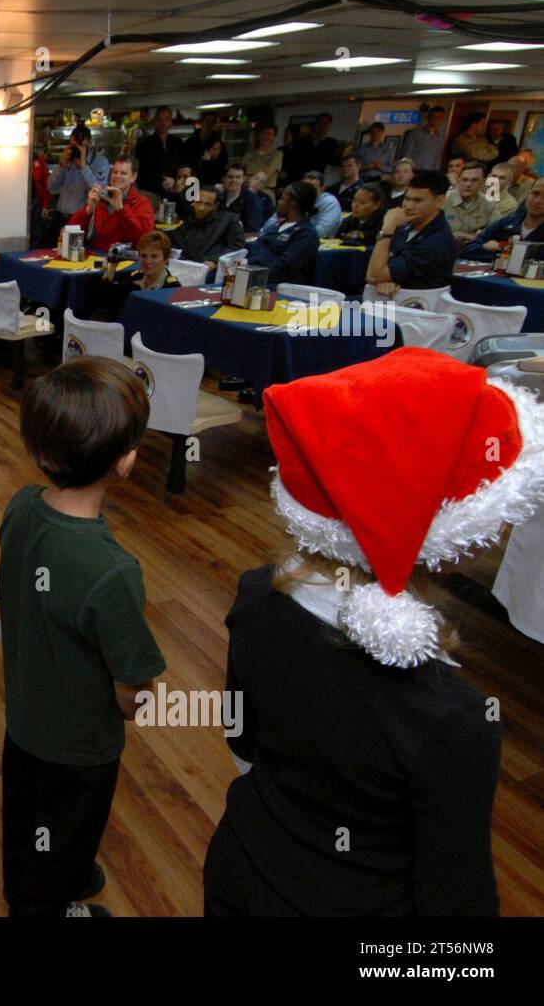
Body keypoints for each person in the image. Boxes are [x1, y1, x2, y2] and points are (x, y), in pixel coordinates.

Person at [204, 346, 542, 915]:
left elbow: (243, 738)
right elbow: (456, 903)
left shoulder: (258, 594)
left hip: (240, 869)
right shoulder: (453, 718)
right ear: (454, 534)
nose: (509, 518)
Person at [0, 357, 166, 918]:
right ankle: (47, 901)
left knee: (28, 823)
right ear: (126, 460)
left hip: (25, 720)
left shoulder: (23, 506)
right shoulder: (112, 571)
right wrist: (137, 704)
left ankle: (40, 880)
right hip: (80, 746)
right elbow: (133, 684)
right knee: (68, 830)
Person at [366, 169, 458, 296]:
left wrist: (387, 230)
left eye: (417, 201)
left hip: (417, 308)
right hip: (391, 300)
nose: (409, 206)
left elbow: (373, 276)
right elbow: (378, 272)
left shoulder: (437, 240)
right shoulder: (406, 226)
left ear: (440, 201)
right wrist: (386, 279)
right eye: (407, 199)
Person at [65, 156, 155, 252]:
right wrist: (88, 209)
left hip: (126, 261)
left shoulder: (141, 203)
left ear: (133, 177)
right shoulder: (101, 199)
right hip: (96, 259)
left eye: (123, 173)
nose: (117, 176)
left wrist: (121, 209)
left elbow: (144, 238)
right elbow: (71, 232)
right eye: (114, 172)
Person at [91, 230, 181, 321]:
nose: (147, 261)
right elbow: (104, 298)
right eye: (143, 256)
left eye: (154, 256)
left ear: (165, 259)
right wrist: (112, 268)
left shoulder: (172, 288)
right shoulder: (137, 278)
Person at [247, 180, 321, 288]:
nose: (278, 202)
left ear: (293, 203)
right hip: (251, 276)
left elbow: (284, 267)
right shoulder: (275, 226)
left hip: (276, 286)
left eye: (282, 198)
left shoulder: (306, 234)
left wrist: (252, 275)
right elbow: (254, 251)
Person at [463, 176, 544, 260]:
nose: (537, 201)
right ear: (528, 194)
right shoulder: (507, 222)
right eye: (535, 193)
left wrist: (501, 248)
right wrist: (502, 255)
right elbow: (468, 249)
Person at [170, 185, 245, 270]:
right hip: (189, 269)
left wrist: (214, 261)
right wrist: (184, 260)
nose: (201, 208)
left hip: (215, 271)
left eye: (207, 204)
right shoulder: (187, 224)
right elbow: (175, 247)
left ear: (216, 206)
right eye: (198, 202)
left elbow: (236, 247)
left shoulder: (229, 221)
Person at [48, 125, 110, 220]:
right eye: (74, 146)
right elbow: (51, 188)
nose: (77, 149)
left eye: (80, 146)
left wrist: (84, 168)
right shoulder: (68, 161)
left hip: (84, 218)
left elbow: (100, 193)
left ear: (90, 143)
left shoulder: (100, 163)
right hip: (62, 216)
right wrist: (62, 165)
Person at [442, 161, 497, 246]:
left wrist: (473, 237)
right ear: (458, 180)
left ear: (483, 182)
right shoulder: (442, 201)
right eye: (465, 179)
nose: (468, 184)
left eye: (474, 180)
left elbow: (497, 233)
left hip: (474, 252)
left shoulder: (489, 205)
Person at [134, 106, 184, 196]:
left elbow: (182, 166)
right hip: (151, 192)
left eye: (166, 119)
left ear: (171, 122)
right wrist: (160, 180)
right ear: (155, 121)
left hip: (175, 191)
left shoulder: (178, 143)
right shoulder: (144, 144)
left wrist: (175, 181)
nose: (163, 123)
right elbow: (140, 171)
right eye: (160, 119)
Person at [337, 182, 387, 247]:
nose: (355, 206)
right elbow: (336, 240)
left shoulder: (384, 224)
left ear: (376, 205)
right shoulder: (349, 220)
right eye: (354, 200)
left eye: (362, 203)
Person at [185, 112, 227, 187]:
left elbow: (221, 166)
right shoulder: (190, 142)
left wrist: (210, 161)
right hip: (192, 181)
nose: (209, 124)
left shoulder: (218, 144)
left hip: (210, 182)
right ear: (202, 122)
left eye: (212, 122)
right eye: (207, 121)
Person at [399, 105, 446, 171]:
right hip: (414, 170)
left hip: (429, 172)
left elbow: (438, 159)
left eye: (439, 117)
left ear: (442, 119)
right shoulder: (415, 133)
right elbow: (406, 155)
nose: (436, 119)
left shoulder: (440, 138)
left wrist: (435, 173)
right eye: (433, 116)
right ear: (428, 117)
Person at [217, 163, 262, 231]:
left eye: (238, 177)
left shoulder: (252, 199)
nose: (234, 180)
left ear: (243, 179)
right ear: (223, 179)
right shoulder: (219, 196)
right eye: (230, 177)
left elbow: (253, 228)